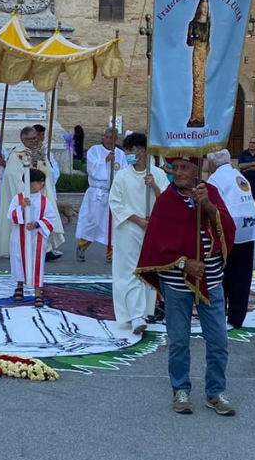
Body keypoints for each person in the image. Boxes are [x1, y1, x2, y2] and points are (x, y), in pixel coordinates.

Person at [136, 156, 236, 417]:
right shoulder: (166, 201)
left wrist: (208, 206)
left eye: (184, 168)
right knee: (179, 340)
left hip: (211, 280)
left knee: (218, 340)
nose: (177, 173)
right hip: (176, 283)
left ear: (197, 170)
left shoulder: (210, 192)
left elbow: (227, 228)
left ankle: (216, 392)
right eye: (174, 168)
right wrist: (183, 263)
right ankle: (180, 389)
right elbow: (156, 245)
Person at [109, 133, 169, 336]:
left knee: (147, 270)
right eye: (126, 150)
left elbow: (167, 201)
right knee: (130, 271)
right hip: (129, 228)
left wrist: (154, 186)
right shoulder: (122, 176)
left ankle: (144, 312)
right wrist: (138, 220)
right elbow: (115, 203)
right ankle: (135, 316)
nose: (127, 154)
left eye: (131, 150)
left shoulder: (157, 174)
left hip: (152, 229)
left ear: (142, 152)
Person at [206, 148, 255, 328]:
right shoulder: (238, 175)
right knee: (243, 276)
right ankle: (237, 317)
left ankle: (219, 314)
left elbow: (213, 206)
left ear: (212, 163)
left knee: (223, 275)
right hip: (248, 228)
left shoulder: (215, 179)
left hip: (229, 230)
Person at [0, 125, 64, 260]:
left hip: (40, 193)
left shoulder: (39, 153)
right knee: (29, 222)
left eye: (35, 138)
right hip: (26, 196)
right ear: (23, 140)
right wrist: (28, 189)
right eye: (30, 139)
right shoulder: (16, 155)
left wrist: (40, 169)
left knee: (42, 219)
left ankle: (45, 248)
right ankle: (26, 249)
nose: (33, 141)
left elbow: (49, 172)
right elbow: (13, 177)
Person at [8, 169, 58, 306]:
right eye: (40, 182)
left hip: (37, 238)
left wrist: (38, 224)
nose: (42, 184)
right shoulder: (18, 199)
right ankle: (19, 286)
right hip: (19, 237)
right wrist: (22, 208)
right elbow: (11, 216)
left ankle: (37, 291)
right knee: (19, 260)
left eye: (43, 182)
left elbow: (51, 218)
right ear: (30, 183)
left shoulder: (44, 201)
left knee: (36, 263)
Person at [75, 129, 124, 261]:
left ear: (116, 139)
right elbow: (91, 169)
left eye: (111, 137)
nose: (108, 140)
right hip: (97, 193)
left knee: (112, 224)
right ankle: (82, 245)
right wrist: (105, 160)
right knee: (93, 221)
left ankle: (111, 252)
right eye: (106, 137)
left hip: (113, 192)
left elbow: (124, 172)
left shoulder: (120, 154)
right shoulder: (94, 151)